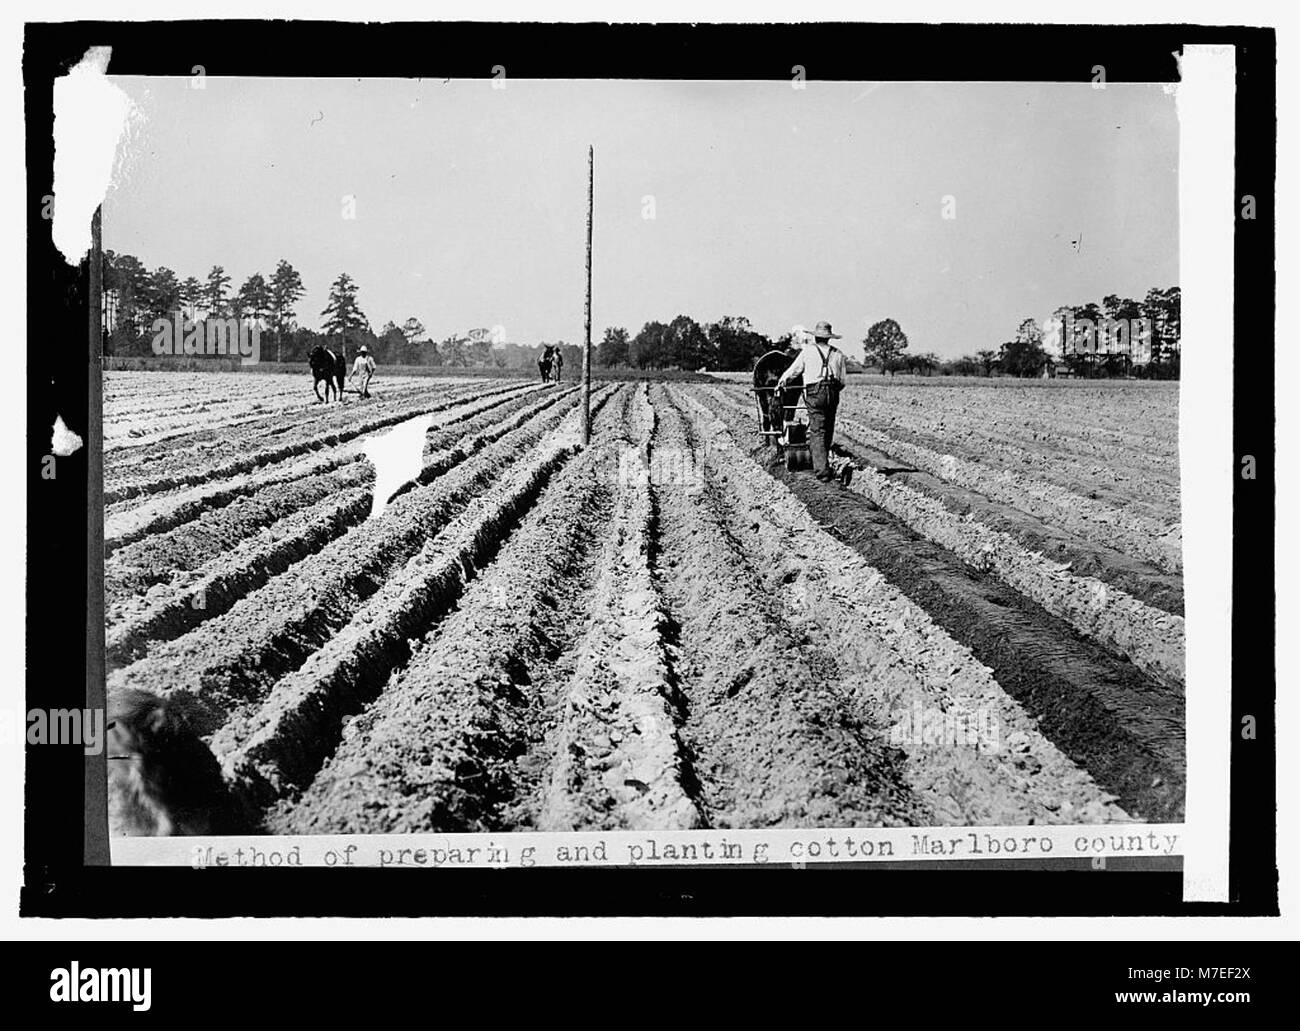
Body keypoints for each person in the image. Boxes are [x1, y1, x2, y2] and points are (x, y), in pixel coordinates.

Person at [775, 320, 851, 485]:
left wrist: (781, 381)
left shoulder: (808, 352)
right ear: (829, 338)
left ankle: (822, 472)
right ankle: (825, 461)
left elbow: (794, 370)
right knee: (828, 427)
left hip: (814, 392)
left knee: (817, 430)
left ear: (816, 337)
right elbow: (843, 381)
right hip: (832, 392)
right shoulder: (838, 354)